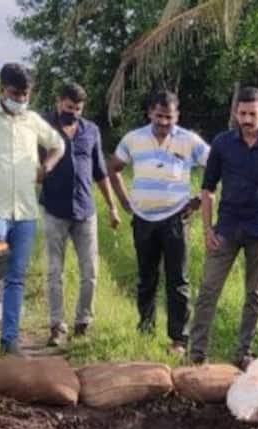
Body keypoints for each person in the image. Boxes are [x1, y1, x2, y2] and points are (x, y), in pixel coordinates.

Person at [0, 62, 65, 354]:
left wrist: (47, 167)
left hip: (25, 214)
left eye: (25, 94)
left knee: (16, 278)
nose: (20, 99)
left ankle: (9, 341)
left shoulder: (32, 120)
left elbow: (58, 145)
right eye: (15, 92)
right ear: (1, 88)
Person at [189, 87, 258, 367]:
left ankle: (244, 353)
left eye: (252, 114)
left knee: (255, 294)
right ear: (235, 112)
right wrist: (207, 229)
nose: (247, 120)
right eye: (242, 113)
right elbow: (208, 189)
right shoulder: (222, 144)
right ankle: (196, 352)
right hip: (227, 227)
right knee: (209, 289)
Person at [108, 90, 209, 355]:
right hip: (143, 219)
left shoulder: (189, 140)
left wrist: (200, 198)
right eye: (159, 116)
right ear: (150, 113)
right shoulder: (133, 139)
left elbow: (217, 166)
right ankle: (145, 329)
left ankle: (179, 339)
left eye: (169, 117)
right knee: (146, 278)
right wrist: (124, 202)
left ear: (178, 115)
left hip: (177, 218)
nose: (164, 122)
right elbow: (113, 168)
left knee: (178, 280)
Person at [40, 81, 122, 347]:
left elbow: (100, 172)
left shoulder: (91, 131)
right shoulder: (44, 128)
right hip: (55, 209)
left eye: (77, 108)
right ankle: (56, 326)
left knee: (90, 270)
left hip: (85, 210)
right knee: (55, 271)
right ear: (59, 102)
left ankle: (83, 322)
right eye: (68, 106)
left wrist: (111, 206)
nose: (72, 112)